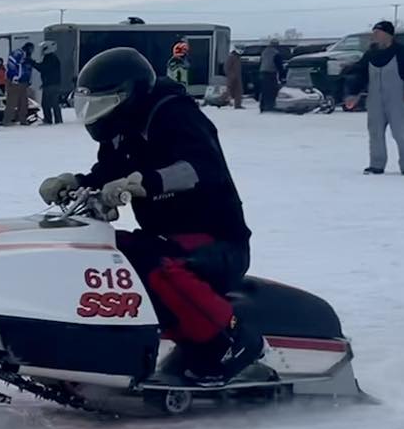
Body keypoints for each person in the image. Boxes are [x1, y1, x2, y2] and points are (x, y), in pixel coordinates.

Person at [39, 48, 263, 385]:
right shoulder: (122, 125)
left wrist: (148, 182)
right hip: (167, 235)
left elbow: (202, 168)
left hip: (216, 240)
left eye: (102, 104)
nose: (95, 115)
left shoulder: (174, 114)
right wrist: (78, 183)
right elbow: (110, 168)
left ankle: (229, 342)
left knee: (152, 261)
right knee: (103, 251)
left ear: (130, 94)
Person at [354, 21, 404, 176]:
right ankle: (376, 165)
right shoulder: (370, 54)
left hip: (397, 98)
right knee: (375, 133)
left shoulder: (401, 52)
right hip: (374, 99)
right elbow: (360, 73)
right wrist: (353, 90)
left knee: (401, 133)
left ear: (388, 34)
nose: (374, 36)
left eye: (378, 32)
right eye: (374, 32)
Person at [3, 42, 34, 126]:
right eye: (31, 49)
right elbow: (11, 64)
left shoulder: (28, 57)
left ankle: (22, 119)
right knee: (12, 102)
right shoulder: (18, 53)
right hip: (15, 82)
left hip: (24, 83)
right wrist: (14, 76)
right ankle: (7, 120)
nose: (32, 51)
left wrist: (29, 80)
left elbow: (28, 70)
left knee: (24, 103)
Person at [35, 41, 63, 124]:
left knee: (47, 104)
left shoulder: (50, 58)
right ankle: (57, 120)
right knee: (54, 103)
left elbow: (43, 68)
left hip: (50, 85)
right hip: (53, 83)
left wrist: (32, 63)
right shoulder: (53, 57)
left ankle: (49, 120)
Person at [258, 43, 284, 113]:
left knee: (264, 90)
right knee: (272, 89)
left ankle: (262, 106)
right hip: (270, 72)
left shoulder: (264, 52)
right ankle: (270, 105)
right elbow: (279, 65)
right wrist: (282, 76)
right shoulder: (275, 53)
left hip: (262, 72)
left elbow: (260, 62)